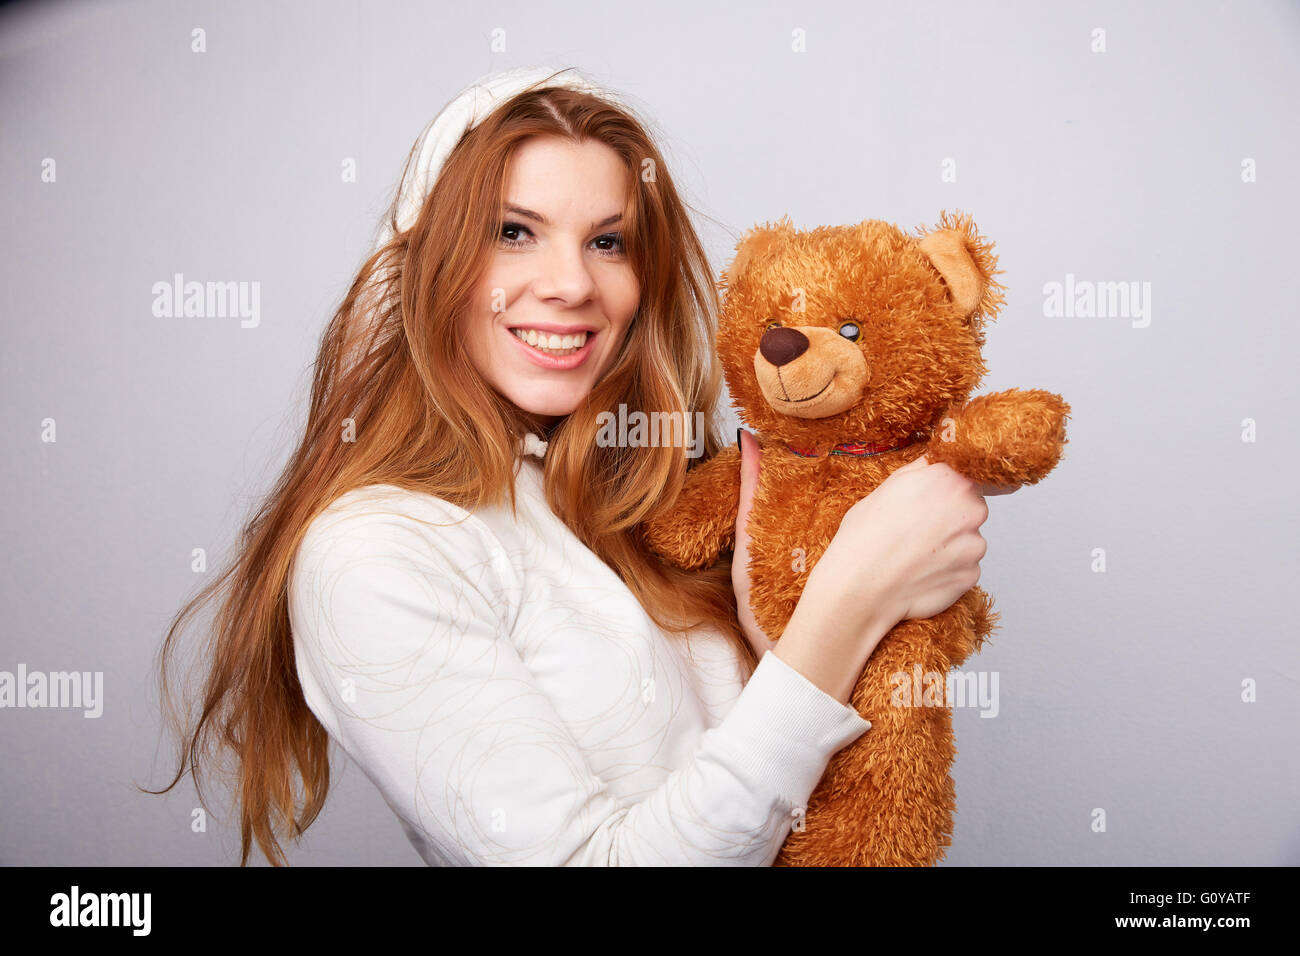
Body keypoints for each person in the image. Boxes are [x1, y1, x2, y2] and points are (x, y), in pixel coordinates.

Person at [150, 65, 1010, 866]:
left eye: (609, 242)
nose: (570, 284)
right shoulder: (376, 552)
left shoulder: (639, 489)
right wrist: (852, 597)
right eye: (513, 233)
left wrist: (777, 625)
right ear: (429, 264)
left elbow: (786, 773)